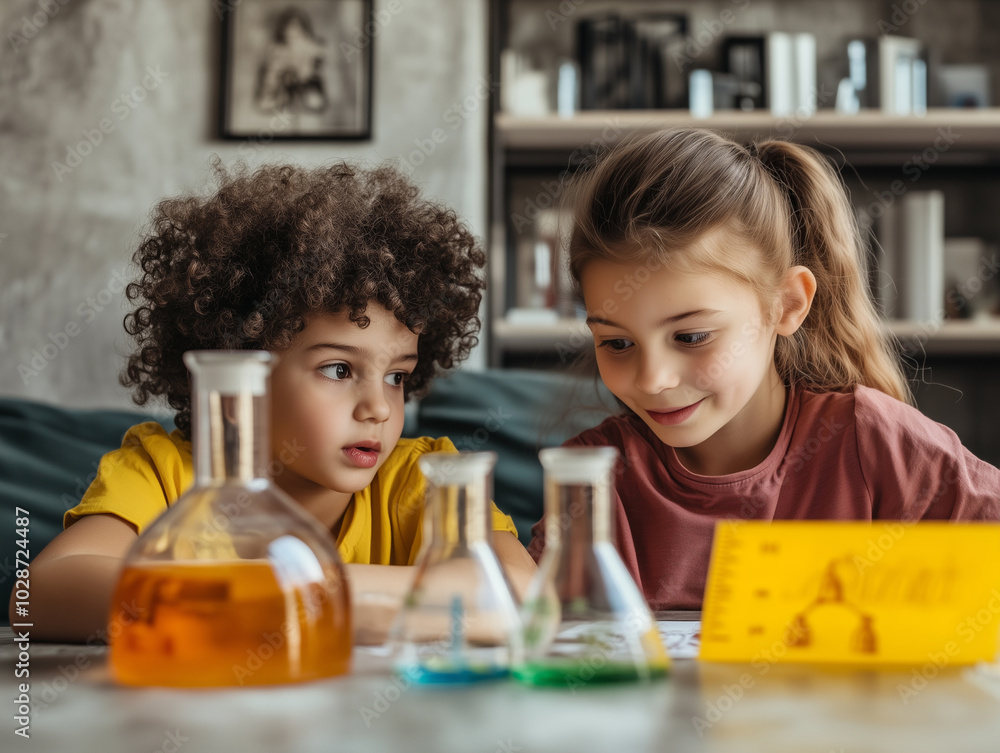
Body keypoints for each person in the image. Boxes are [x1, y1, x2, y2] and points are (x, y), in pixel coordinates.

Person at [19, 160, 537, 642]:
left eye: (397, 377)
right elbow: (39, 594)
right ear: (240, 368)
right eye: (339, 369)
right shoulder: (165, 472)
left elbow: (518, 592)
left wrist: (300, 591)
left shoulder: (425, 480)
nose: (378, 407)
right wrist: (319, 599)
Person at [527, 128, 1000, 611]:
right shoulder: (591, 479)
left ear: (788, 305)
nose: (653, 380)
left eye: (691, 337)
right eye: (617, 342)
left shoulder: (877, 444)